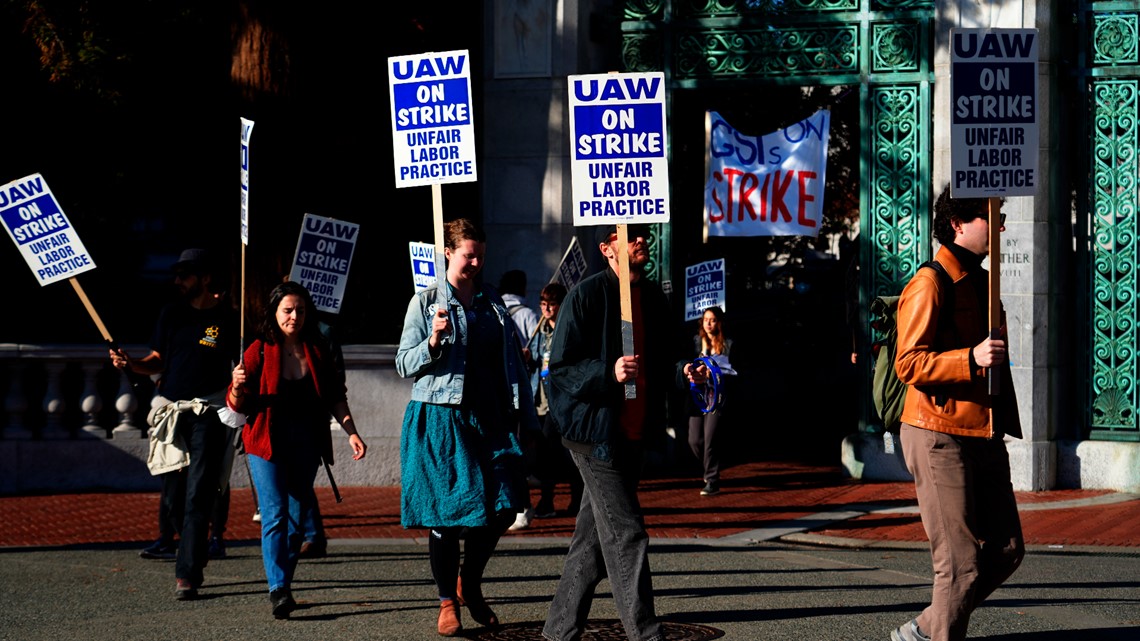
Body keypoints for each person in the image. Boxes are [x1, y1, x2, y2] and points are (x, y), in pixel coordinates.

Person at [542, 224, 706, 641]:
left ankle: (558, 632)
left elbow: (665, 357)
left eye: (643, 234)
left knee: (593, 543)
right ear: (607, 248)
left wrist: (684, 370)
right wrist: (607, 372)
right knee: (628, 534)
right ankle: (646, 634)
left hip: (633, 435)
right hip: (595, 437)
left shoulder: (651, 296)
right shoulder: (586, 295)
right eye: (629, 234)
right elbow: (560, 369)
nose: (641, 240)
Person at [891, 188, 1024, 641]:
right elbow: (907, 363)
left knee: (1006, 550)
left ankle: (926, 629)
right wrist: (971, 357)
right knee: (960, 565)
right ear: (957, 224)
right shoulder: (930, 282)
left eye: (1001, 216)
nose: (1001, 227)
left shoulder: (986, 280)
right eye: (992, 217)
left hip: (982, 430)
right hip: (936, 432)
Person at [395, 218, 533, 637]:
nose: (475, 262)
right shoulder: (426, 302)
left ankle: (469, 583)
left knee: (504, 506)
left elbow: (506, 361)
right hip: (441, 416)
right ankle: (446, 601)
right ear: (449, 253)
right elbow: (403, 363)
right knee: (448, 514)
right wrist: (432, 343)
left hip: (490, 416)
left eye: (480, 256)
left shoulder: (492, 302)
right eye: (468, 254)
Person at [228, 281, 367, 619]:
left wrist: (352, 432)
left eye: (300, 310)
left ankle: (284, 584)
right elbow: (236, 406)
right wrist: (236, 385)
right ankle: (278, 588)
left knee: (295, 520)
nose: (294, 317)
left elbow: (336, 396)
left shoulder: (317, 349)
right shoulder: (259, 350)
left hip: (306, 443)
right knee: (274, 515)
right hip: (265, 442)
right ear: (274, 313)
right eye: (287, 310)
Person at [110, 248, 237, 600]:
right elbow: (156, 360)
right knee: (173, 498)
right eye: (177, 274)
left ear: (206, 277)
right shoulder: (171, 315)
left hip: (210, 413)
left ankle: (188, 573)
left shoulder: (229, 318)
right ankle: (189, 551)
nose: (178, 281)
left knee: (199, 491)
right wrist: (131, 364)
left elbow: (242, 364)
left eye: (185, 274)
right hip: (171, 412)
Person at [526, 282, 584, 518]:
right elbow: (538, 364)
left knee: (562, 453)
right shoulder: (540, 333)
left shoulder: (568, 330)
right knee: (545, 454)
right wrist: (528, 358)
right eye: (543, 304)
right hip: (540, 401)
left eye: (551, 304)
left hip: (560, 402)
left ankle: (560, 500)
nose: (546, 309)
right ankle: (551, 500)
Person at [687, 306, 732, 497]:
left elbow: (734, 370)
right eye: (705, 319)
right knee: (695, 440)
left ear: (719, 322)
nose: (708, 323)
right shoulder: (696, 343)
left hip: (716, 398)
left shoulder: (727, 345)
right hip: (698, 398)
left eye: (712, 319)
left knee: (710, 438)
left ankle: (711, 479)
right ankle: (710, 466)